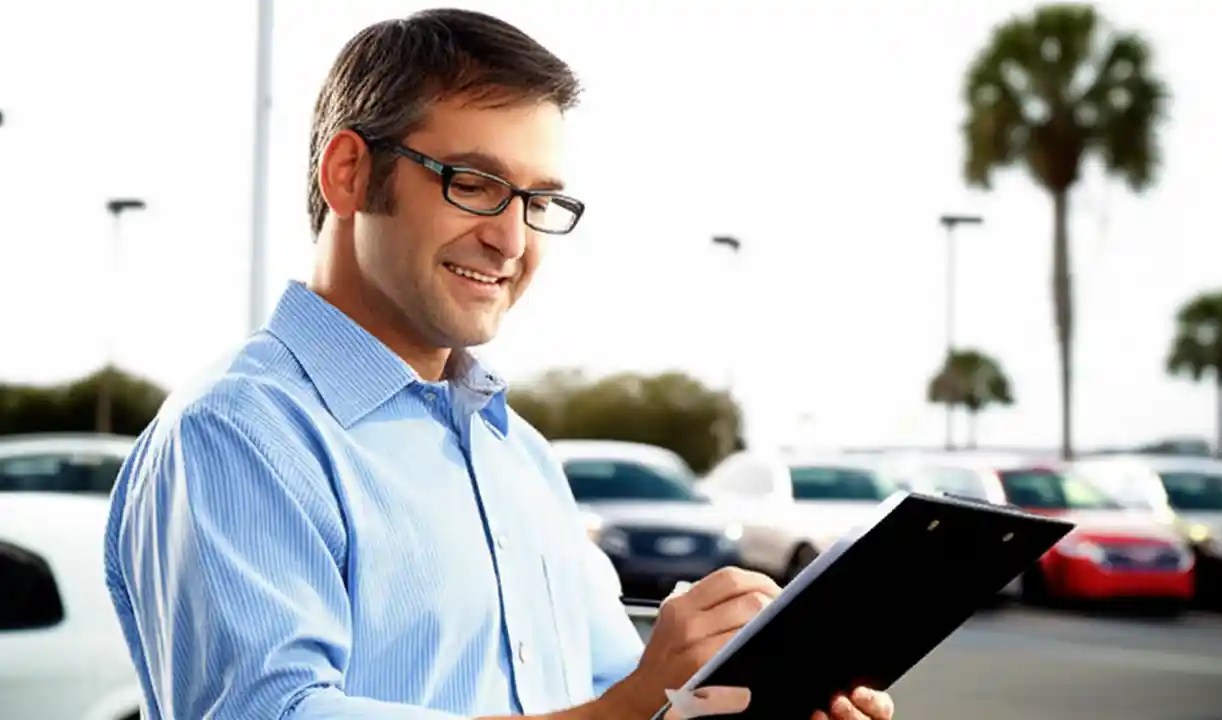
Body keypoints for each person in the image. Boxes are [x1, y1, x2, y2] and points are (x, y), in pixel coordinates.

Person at [102, 9, 895, 720]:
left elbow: (625, 692)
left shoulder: (521, 458)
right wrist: (622, 714)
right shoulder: (236, 434)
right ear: (348, 173)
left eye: (538, 201)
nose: (513, 241)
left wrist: (728, 700)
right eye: (476, 184)